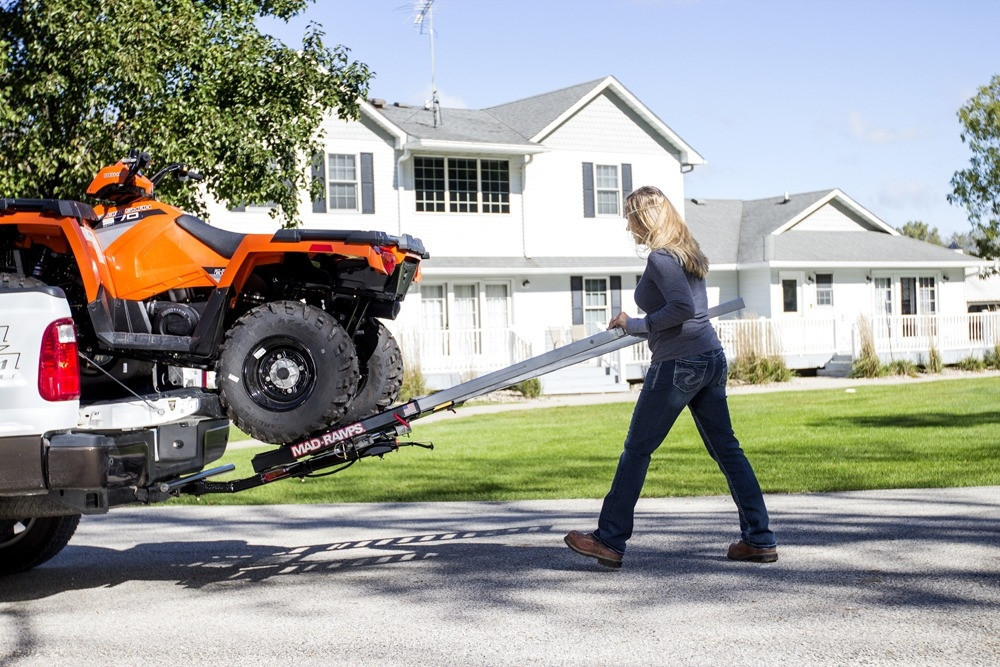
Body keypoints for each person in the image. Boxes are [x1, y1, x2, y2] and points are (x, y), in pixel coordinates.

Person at [564, 185, 777, 570]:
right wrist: (643, 328)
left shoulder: (662, 258)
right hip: (709, 357)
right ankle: (759, 539)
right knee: (727, 448)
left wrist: (636, 323)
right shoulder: (687, 252)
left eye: (630, 217)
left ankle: (609, 540)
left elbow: (681, 309)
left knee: (637, 449)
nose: (628, 226)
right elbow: (691, 310)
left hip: (680, 364)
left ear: (643, 218)